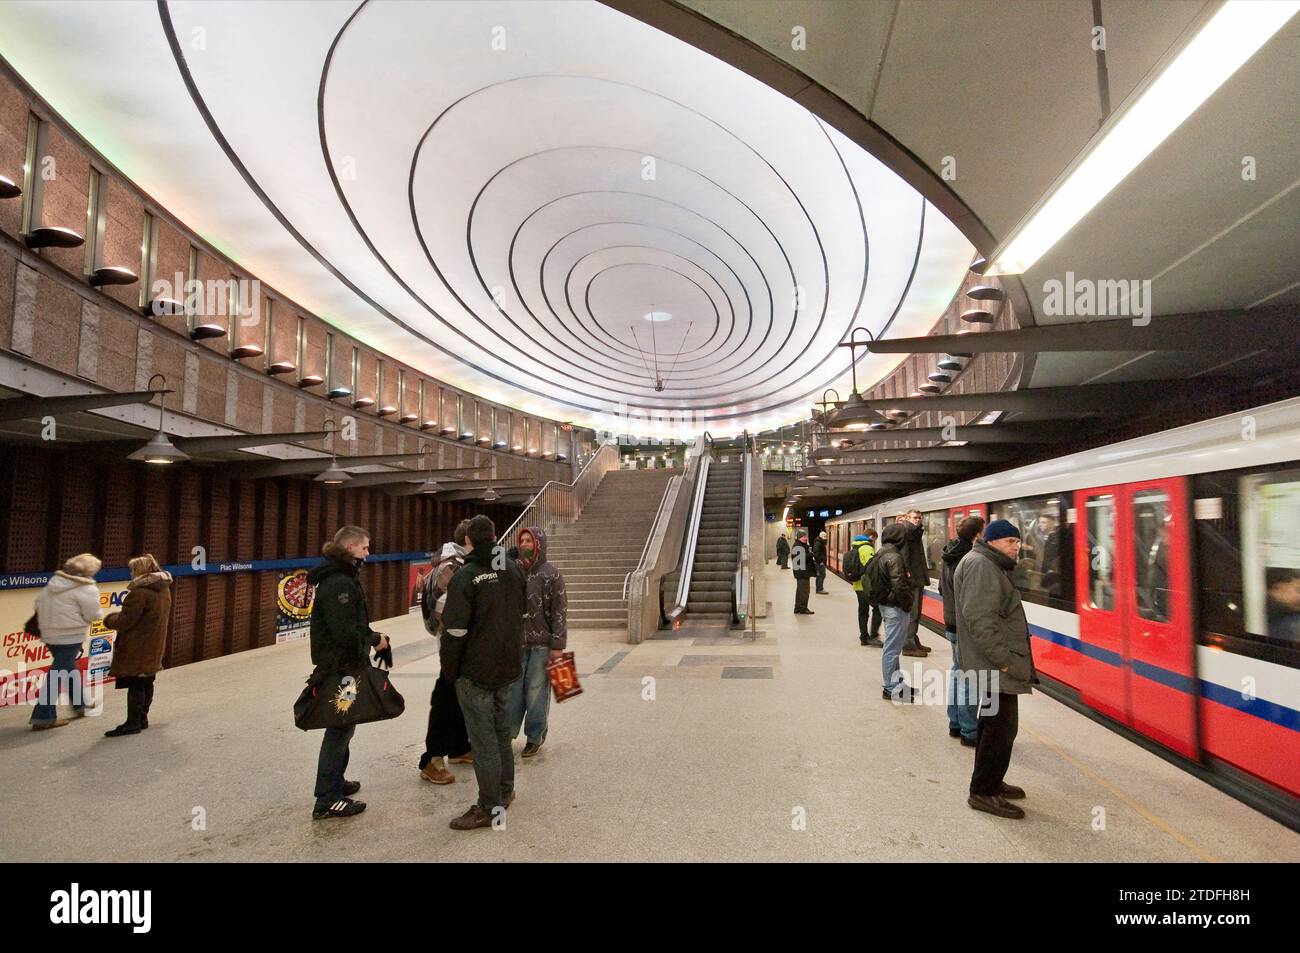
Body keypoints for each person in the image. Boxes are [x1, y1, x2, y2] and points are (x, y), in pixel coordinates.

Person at [441, 514, 528, 830]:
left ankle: (490, 807)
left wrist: (451, 670)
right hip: (508, 666)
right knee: (501, 732)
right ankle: (505, 791)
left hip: (476, 671)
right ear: (494, 538)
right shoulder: (513, 569)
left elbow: (454, 631)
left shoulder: (467, 576)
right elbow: (520, 613)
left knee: (483, 741)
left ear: (468, 541)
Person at [954, 519, 1035, 820]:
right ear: (991, 541)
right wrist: (1004, 661)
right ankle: (983, 792)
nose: (1016, 547)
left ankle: (989, 782)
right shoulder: (982, 566)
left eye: (1017, 541)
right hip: (992, 665)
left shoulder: (988, 563)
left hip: (990, 664)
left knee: (993, 727)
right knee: (1000, 730)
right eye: (1009, 542)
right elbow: (980, 619)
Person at [307, 526, 388, 819]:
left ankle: (336, 782)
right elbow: (344, 631)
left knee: (345, 725)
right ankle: (327, 799)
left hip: (346, 664)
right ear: (351, 547)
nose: (368, 553)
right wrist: (373, 639)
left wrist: (372, 638)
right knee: (339, 729)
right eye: (365, 548)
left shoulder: (341, 577)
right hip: (342, 667)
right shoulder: (339, 582)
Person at [417, 519, 474, 785]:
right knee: (445, 698)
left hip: (455, 645)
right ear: (468, 541)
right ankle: (432, 759)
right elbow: (443, 608)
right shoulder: (452, 567)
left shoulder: (453, 564)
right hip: (452, 646)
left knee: (457, 696)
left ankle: (459, 747)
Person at [508, 525, 567, 758]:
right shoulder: (513, 571)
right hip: (517, 644)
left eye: (528, 541)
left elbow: (559, 612)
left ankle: (534, 737)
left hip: (542, 645)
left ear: (539, 544)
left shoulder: (551, 574)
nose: (524, 545)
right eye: (521, 541)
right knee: (512, 690)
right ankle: (508, 732)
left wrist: (558, 647)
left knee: (535, 692)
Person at [29, 553, 103, 731]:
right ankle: (43, 716)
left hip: (49, 636)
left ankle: (81, 704)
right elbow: (93, 615)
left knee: (67, 668)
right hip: (71, 636)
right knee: (57, 674)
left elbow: (37, 605)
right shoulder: (86, 588)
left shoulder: (53, 584)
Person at [102, 555, 172, 737]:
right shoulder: (163, 590)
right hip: (154, 642)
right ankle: (142, 718)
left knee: (135, 684)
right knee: (147, 680)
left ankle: (132, 723)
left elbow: (126, 621)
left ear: (140, 571)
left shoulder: (140, 593)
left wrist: (109, 619)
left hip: (138, 645)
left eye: (133, 569)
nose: (131, 573)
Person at [940, 516, 985, 746]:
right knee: (969, 676)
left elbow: (941, 588)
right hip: (963, 625)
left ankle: (955, 723)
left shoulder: (949, 554)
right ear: (977, 535)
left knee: (958, 672)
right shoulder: (970, 559)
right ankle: (969, 730)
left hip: (950, 621)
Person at [872, 523, 917, 701]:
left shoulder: (881, 552)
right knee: (891, 649)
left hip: (886, 605)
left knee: (894, 648)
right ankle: (890, 687)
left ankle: (897, 683)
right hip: (895, 608)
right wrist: (907, 604)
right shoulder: (894, 556)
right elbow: (899, 585)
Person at [899, 511, 931, 657]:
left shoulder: (915, 532)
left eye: (919, 518)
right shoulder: (907, 533)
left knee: (916, 612)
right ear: (907, 518)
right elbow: (905, 557)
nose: (918, 520)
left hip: (917, 578)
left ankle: (913, 639)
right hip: (912, 581)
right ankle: (908, 645)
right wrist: (909, 577)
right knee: (912, 612)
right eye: (915, 517)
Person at [848, 532, 882, 647]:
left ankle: (863, 637)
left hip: (857, 584)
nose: (875, 542)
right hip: (866, 585)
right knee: (878, 608)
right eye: (875, 539)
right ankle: (873, 636)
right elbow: (871, 568)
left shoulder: (854, 546)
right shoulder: (867, 548)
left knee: (862, 611)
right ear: (872, 537)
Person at [791, 529, 816, 615]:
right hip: (802, 573)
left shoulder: (800, 545)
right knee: (804, 592)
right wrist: (811, 554)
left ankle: (797, 608)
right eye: (804, 537)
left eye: (806, 536)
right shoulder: (798, 547)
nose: (806, 538)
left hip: (801, 572)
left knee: (800, 591)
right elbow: (801, 560)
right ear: (799, 538)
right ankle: (803, 609)